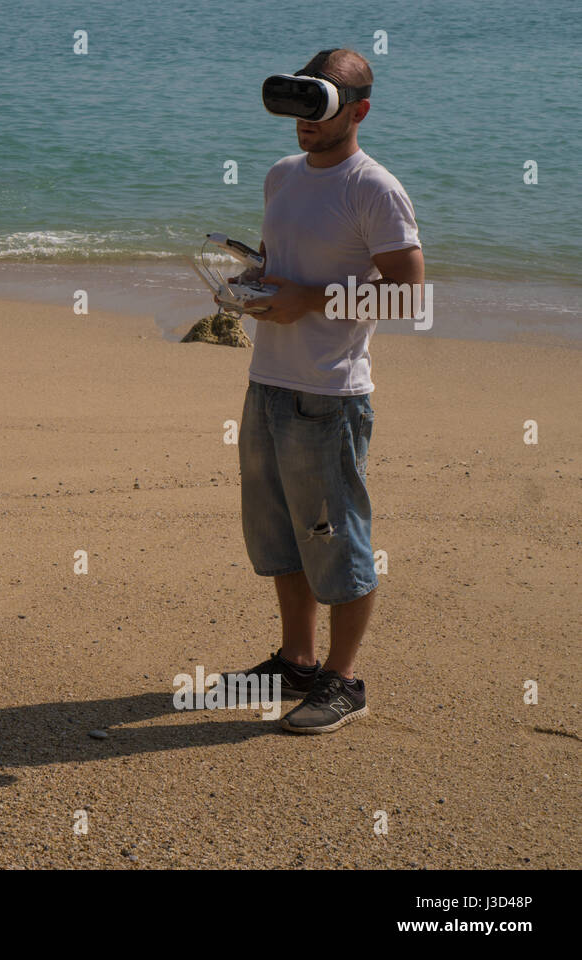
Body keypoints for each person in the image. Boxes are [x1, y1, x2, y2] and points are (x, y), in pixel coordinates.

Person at [217, 48, 424, 734]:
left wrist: (308, 300)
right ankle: (297, 662)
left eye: (319, 109)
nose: (303, 124)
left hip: (330, 395)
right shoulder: (281, 177)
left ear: (358, 112)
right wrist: (256, 283)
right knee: (278, 535)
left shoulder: (373, 188)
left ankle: (343, 680)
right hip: (268, 380)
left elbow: (406, 297)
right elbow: (289, 268)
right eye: (298, 108)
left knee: (337, 541)